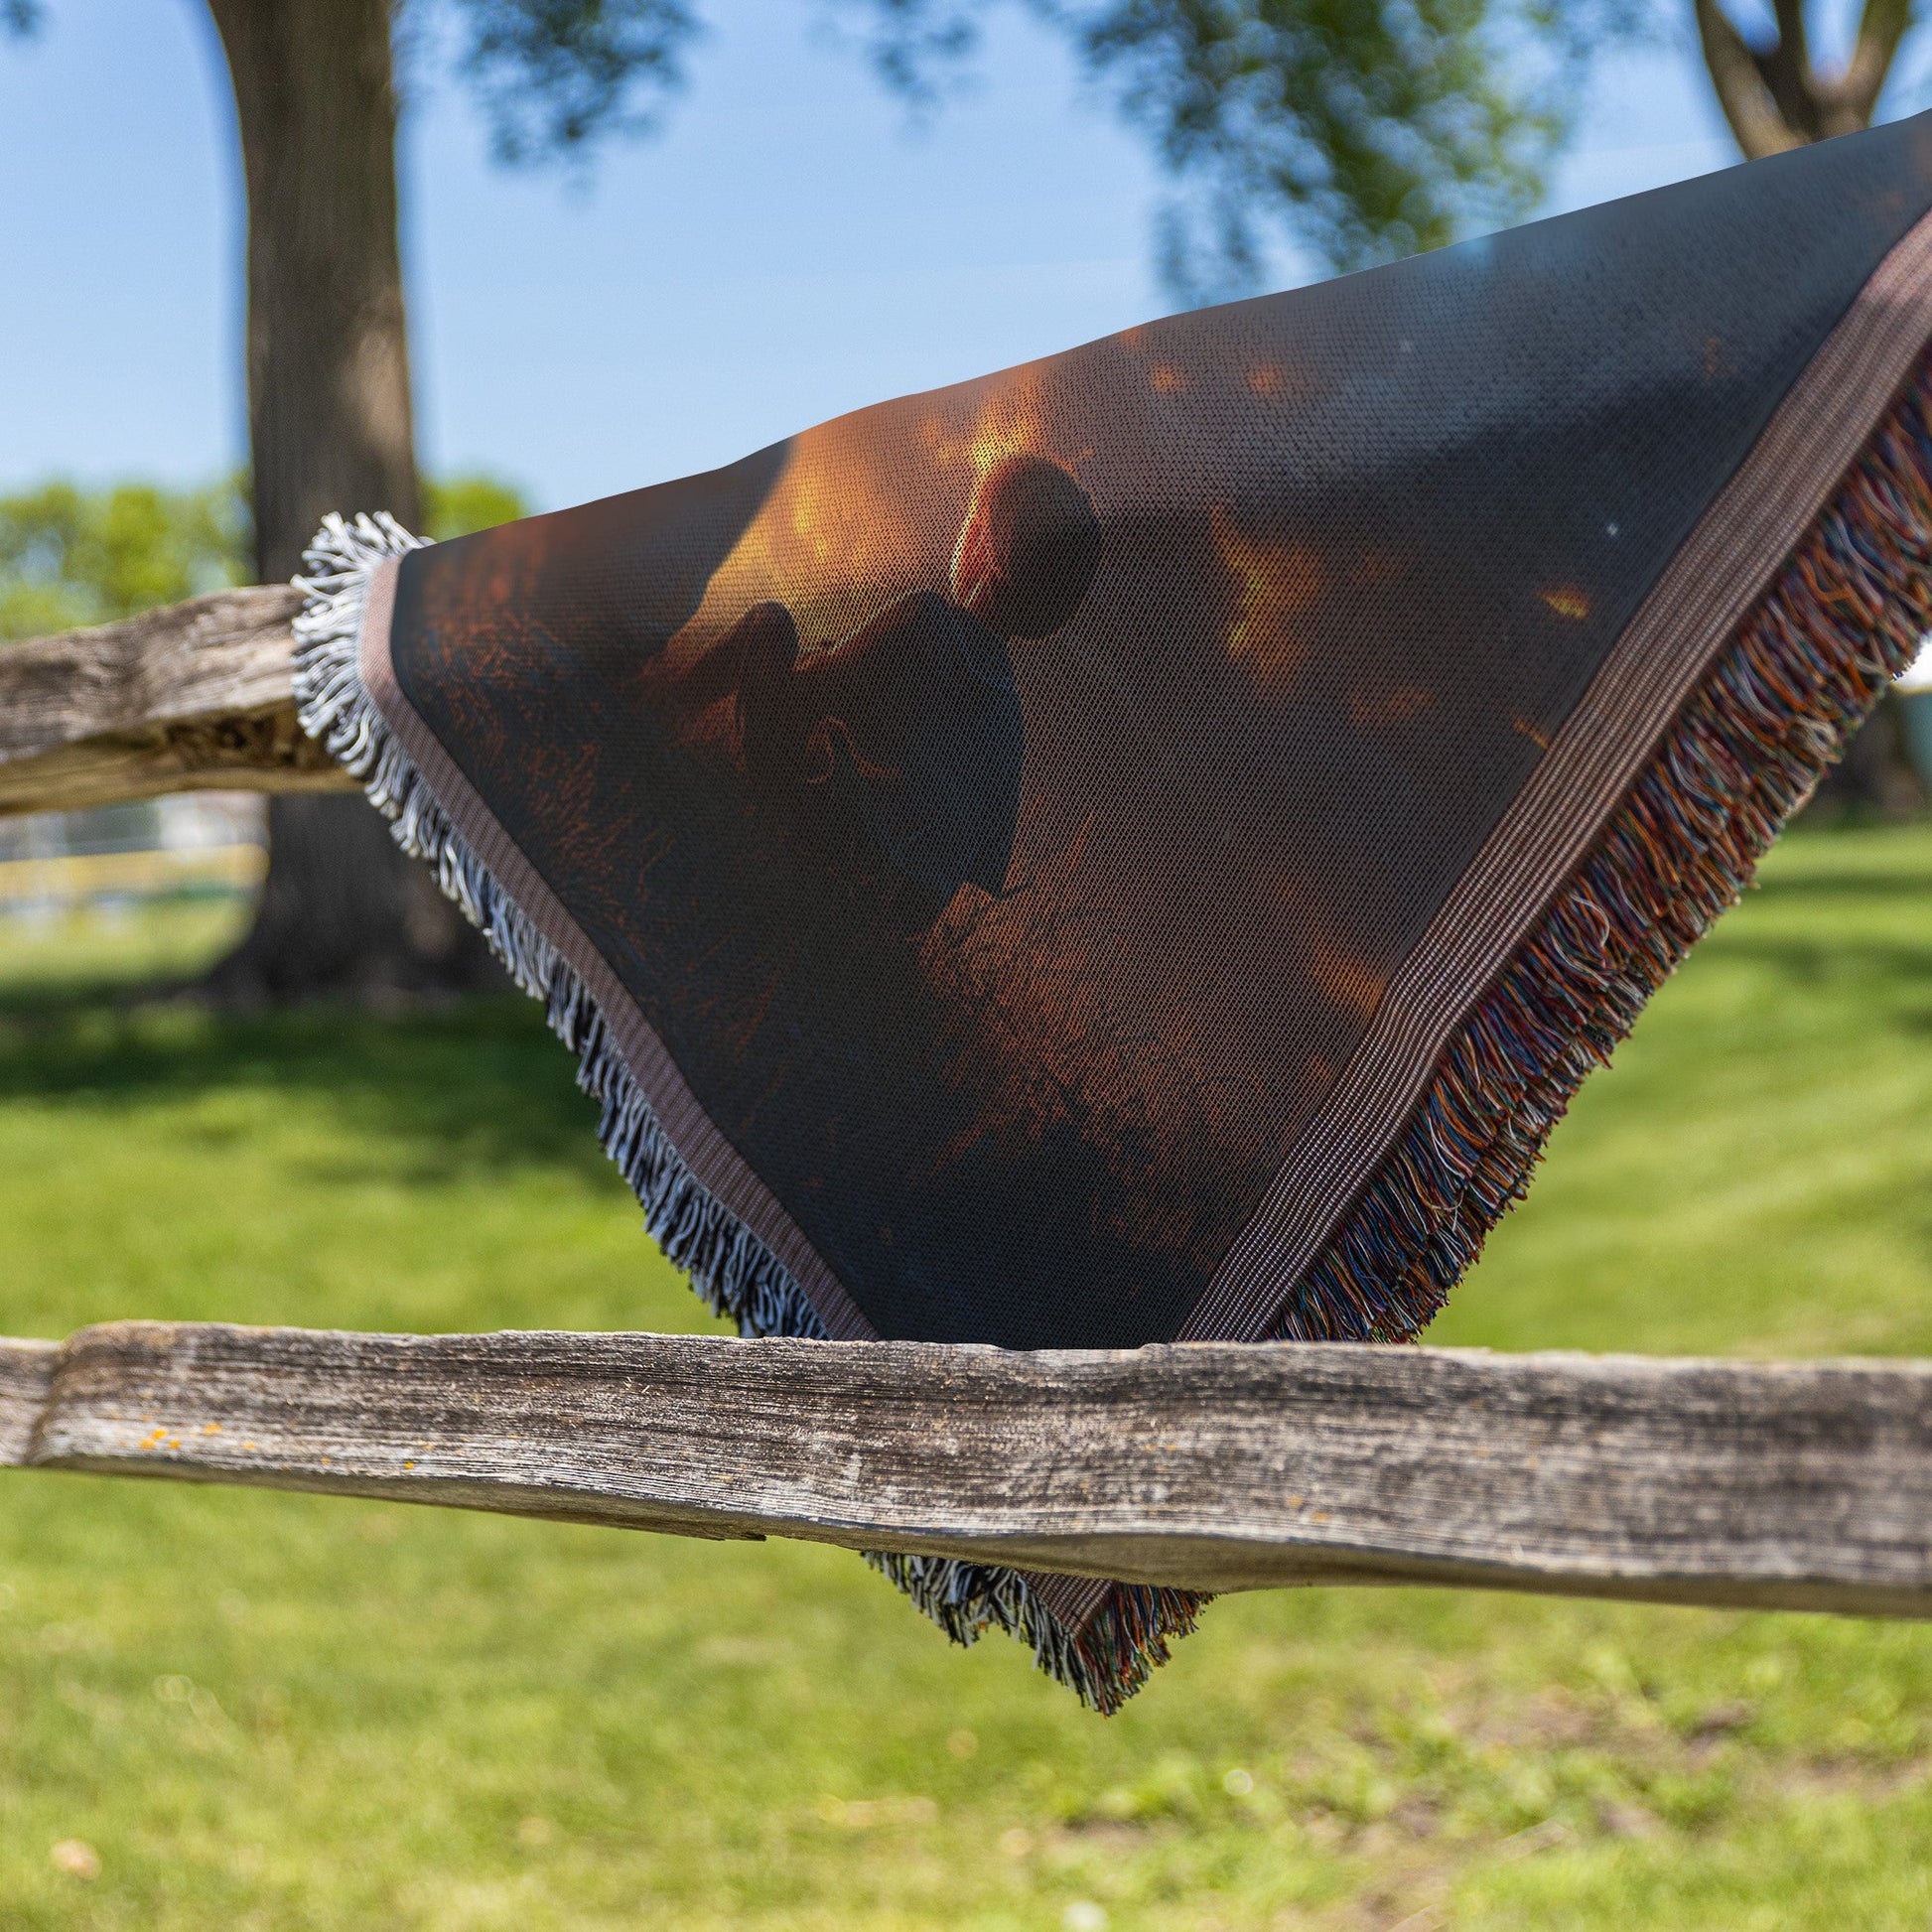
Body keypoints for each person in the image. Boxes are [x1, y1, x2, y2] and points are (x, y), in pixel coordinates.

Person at [670, 453, 1102, 933]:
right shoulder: (1011, 723)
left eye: (970, 518)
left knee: (770, 624)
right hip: (893, 918)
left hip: (819, 849)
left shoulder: (928, 619)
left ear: (979, 547)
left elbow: (810, 698)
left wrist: (816, 662)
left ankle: (656, 712)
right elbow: (978, 866)